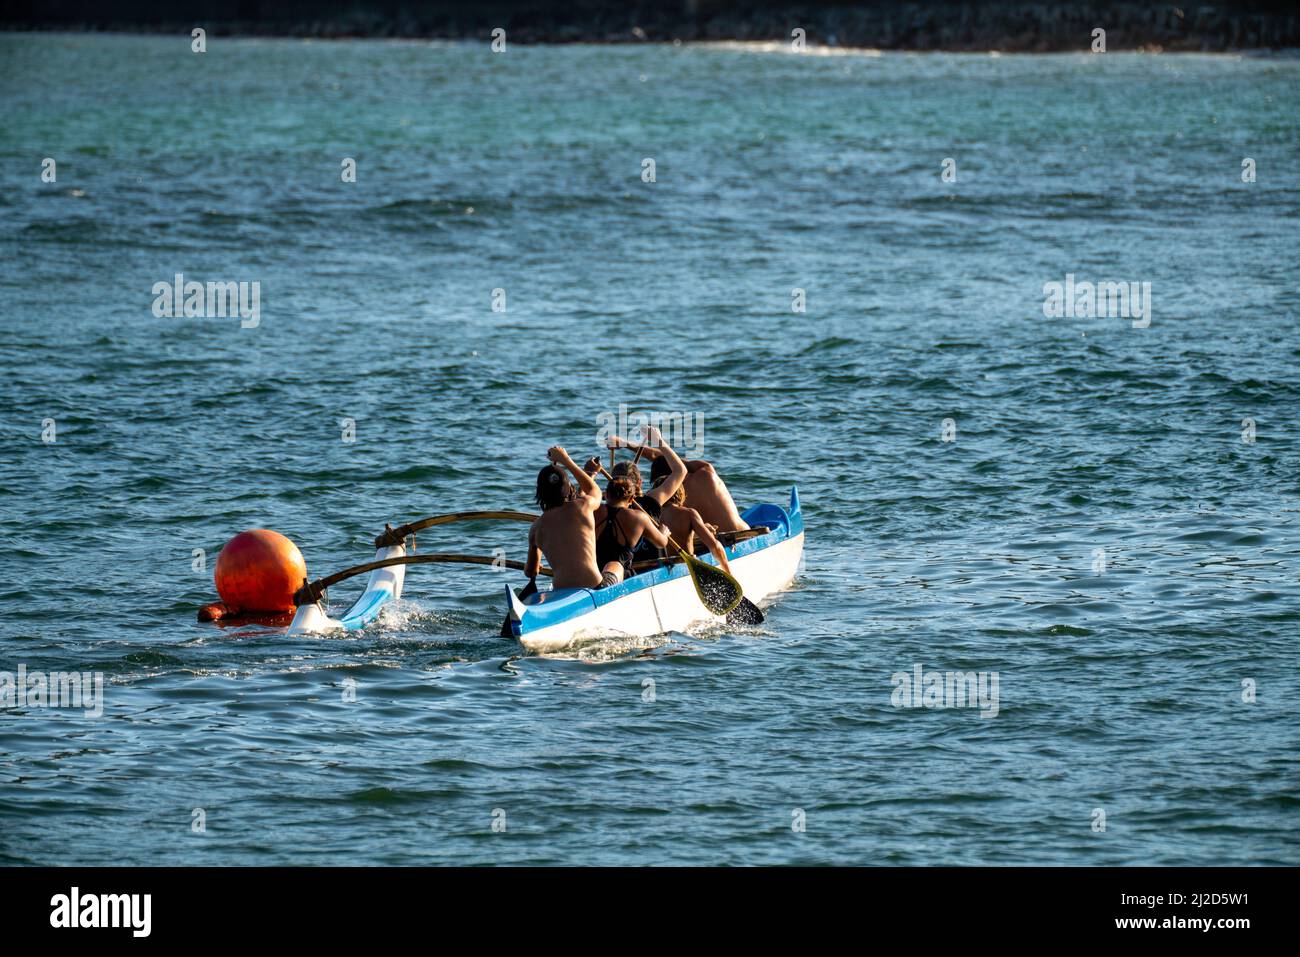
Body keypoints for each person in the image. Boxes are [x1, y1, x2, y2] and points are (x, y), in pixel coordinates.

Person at [606, 434, 749, 534]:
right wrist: (624, 443)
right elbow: (662, 458)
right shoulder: (706, 472)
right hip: (745, 533)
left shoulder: (671, 503)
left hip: (719, 541)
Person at [525, 446, 604, 590]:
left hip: (561, 590)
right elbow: (595, 490)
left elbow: (531, 572)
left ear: (540, 493)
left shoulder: (536, 528)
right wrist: (566, 460)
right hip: (593, 586)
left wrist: (536, 565)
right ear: (568, 487)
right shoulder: (584, 505)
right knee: (615, 567)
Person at [594, 476, 670, 586]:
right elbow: (661, 543)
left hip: (595, 571)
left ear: (606, 494)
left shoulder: (593, 512)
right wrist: (664, 532)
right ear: (631, 499)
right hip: (622, 576)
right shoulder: (639, 518)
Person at [657, 479, 733, 576]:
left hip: (662, 569)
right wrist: (729, 574)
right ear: (680, 493)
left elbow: (674, 534)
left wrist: (700, 529)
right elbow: (715, 546)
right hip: (685, 566)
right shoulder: (689, 514)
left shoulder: (651, 515)